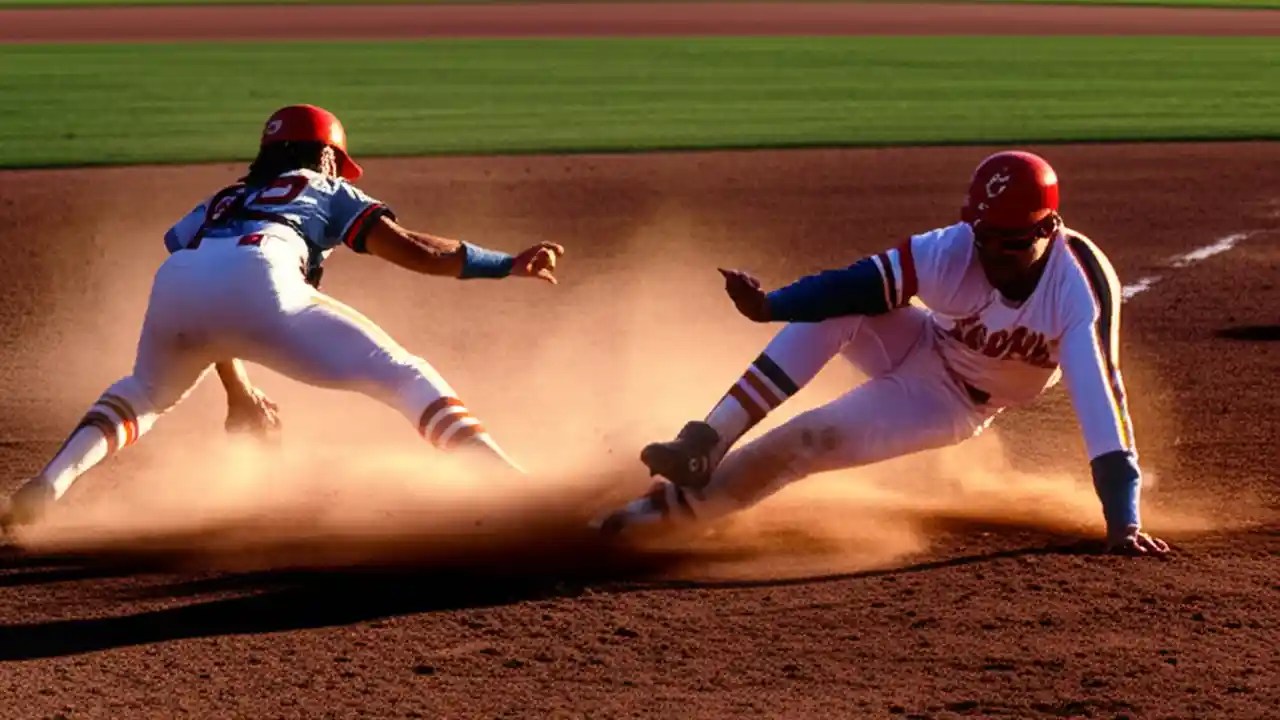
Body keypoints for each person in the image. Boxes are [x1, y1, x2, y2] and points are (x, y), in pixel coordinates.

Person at [2, 104, 564, 531]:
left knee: (144, 392)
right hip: (263, 271)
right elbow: (419, 251)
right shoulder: (326, 186)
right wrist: (505, 264)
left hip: (177, 282)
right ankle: (510, 485)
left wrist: (239, 393)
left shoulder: (224, 197)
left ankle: (47, 486)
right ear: (327, 156)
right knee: (404, 374)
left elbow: (208, 287)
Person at [596, 150, 1168, 556]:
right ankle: (705, 441)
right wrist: (772, 306)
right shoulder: (954, 247)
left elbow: (1101, 399)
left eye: (1007, 242)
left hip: (949, 402)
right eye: (983, 234)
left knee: (808, 440)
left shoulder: (1078, 284)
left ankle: (676, 514)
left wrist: (1123, 519)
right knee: (835, 310)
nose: (989, 250)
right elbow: (855, 284)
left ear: (1048, 228)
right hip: (922, 340)